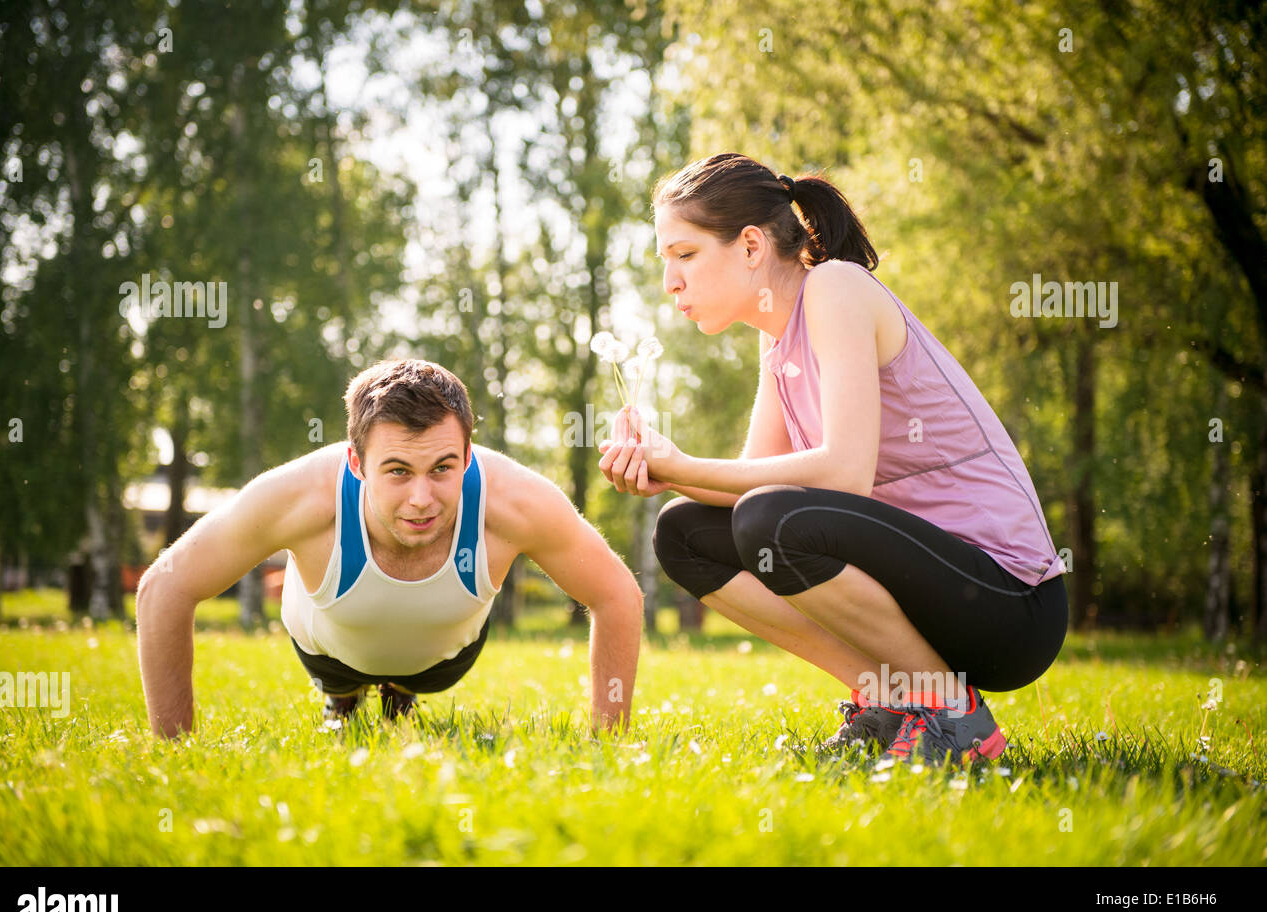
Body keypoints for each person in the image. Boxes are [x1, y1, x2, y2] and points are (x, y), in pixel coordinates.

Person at [598, 152, 1068, 766]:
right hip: (931, 598)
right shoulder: (777, 338)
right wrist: (665, 472)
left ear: (749, 246)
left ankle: (955, 717)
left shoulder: (835, 287)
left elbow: (845, 473)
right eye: (666, 261)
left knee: (772, 522)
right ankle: (891, 697)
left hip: (1008, 604)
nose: (671, 283)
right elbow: (743, 488)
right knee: (682, 533)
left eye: (684, 255)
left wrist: (684, 464)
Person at [137, 358, 643, 739]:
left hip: (443, 659)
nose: (421, 500)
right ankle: (343, 698)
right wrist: (176, 745)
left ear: (468, 454)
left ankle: (402, 692)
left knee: (418, 676)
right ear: (356, 462)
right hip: (331, 652)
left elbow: (617, 594)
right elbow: (165, 586)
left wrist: (610, 740)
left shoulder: (514, 500)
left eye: (443, 468)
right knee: (341, 684)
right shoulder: (300, 496)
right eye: (398, 471)